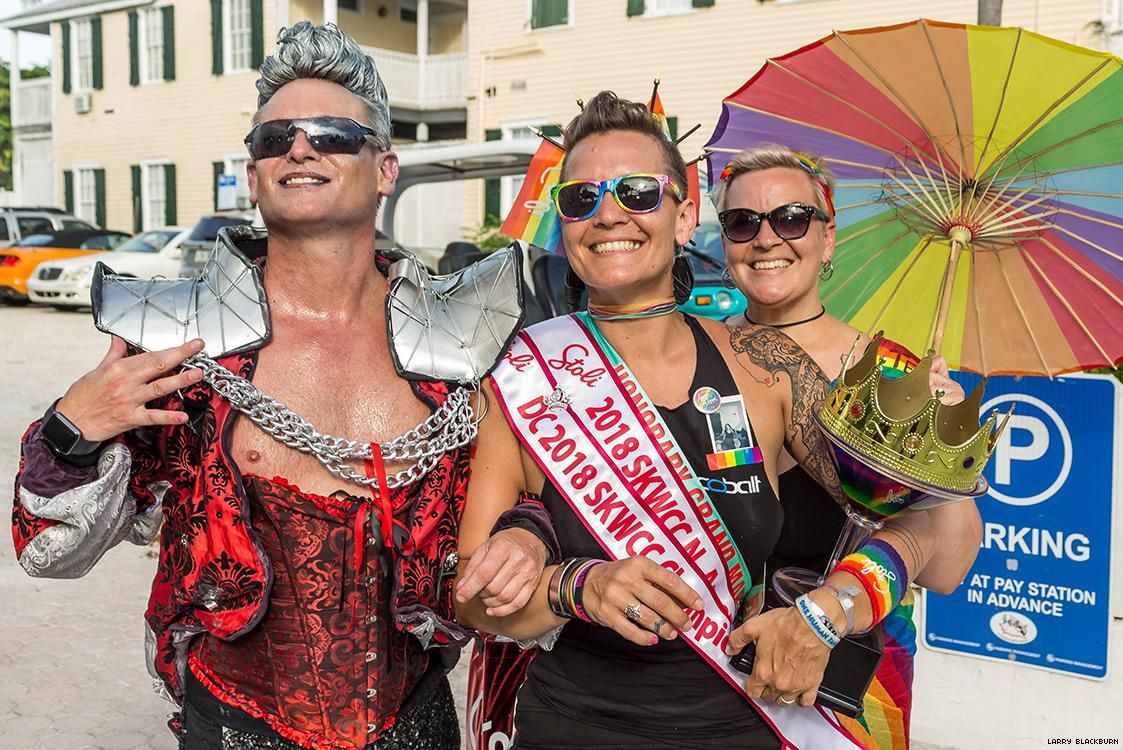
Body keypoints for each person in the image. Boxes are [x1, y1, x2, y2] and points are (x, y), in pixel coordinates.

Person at [11, 22, 538, 750]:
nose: (300, 149)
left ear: (385, 169)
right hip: (234, 726)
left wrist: (524, 534)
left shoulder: (462, 340)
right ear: (254, 173)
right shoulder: (181, 342)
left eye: (332, 135)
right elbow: (49, 553)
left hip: (415, 722)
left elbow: (529, 495)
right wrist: (70, 433)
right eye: (275, 138)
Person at [454, 92, 962, 750]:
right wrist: (575, 586)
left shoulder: (764, 367)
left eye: (638, 192)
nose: (608, 214)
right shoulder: (520, 376)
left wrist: (830, 608)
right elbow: (470, 595)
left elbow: (920, 523)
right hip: (572, 723)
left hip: (745, 717)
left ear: (685, 215)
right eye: (580, 198)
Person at [713, 144, 984, 748]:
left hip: (851, 683)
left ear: (828, 238)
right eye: (742, 221)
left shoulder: (895, 375)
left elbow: (948, 569)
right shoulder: (694, 355)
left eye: (791, 218)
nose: (766, 238)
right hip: (715, 659)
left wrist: (938, 438)